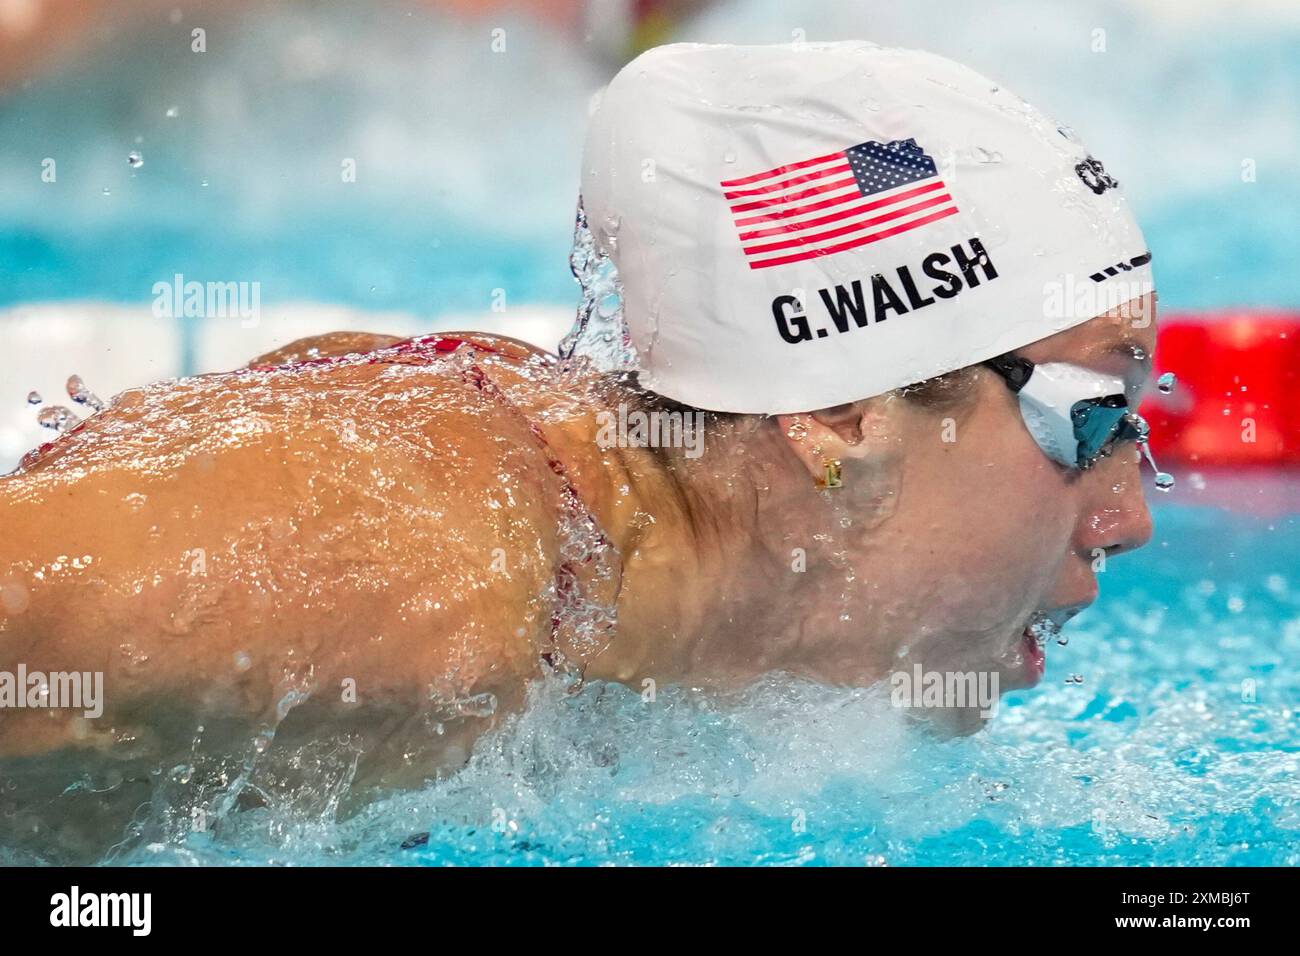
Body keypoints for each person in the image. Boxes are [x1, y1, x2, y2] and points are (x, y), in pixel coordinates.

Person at [0, 42, 1156, 856]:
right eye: (1092, 421)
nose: (1131, 516)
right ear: (844, 417)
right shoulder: (419, 568)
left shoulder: (658, 608)